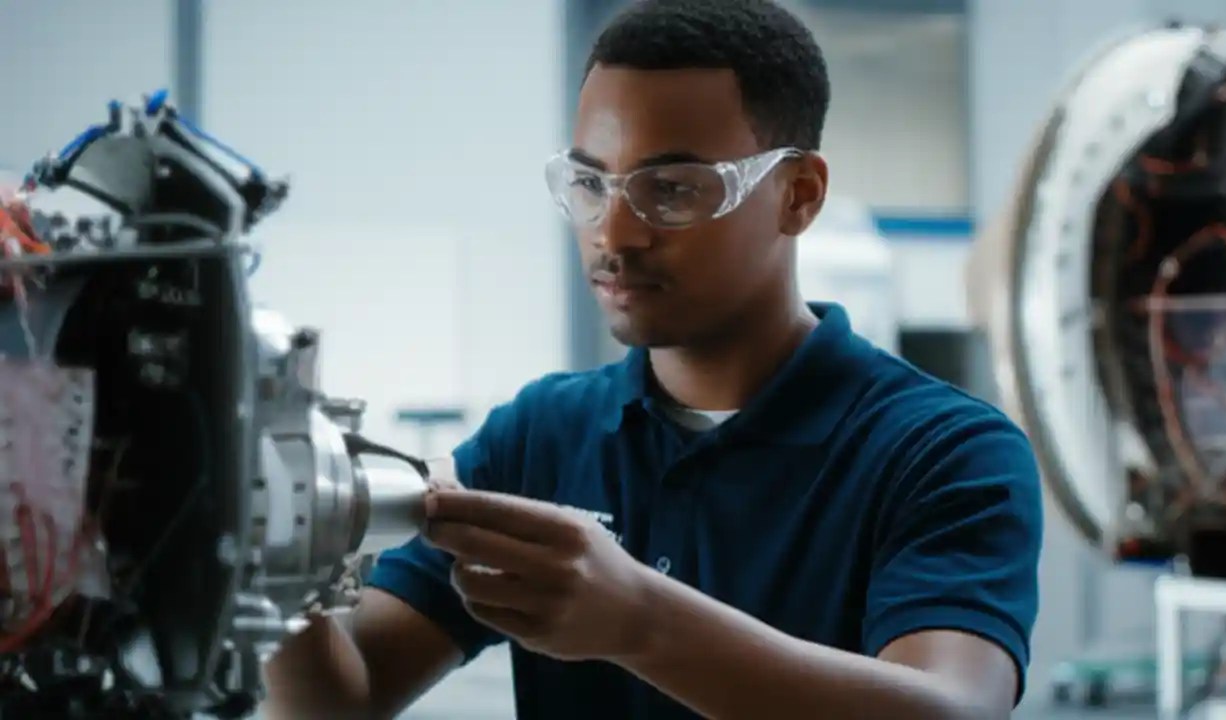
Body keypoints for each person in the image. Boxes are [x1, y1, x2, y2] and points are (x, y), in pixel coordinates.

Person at [264, 1, 1043, 718]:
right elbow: (340, 704)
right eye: (591, 183)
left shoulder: (945, 453)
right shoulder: (543, 435)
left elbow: (953, 709)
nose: (615, 233)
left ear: (799, 194)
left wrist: (638, 620)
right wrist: (280, 546)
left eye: (670, 189)